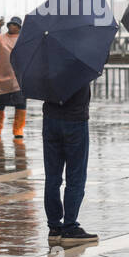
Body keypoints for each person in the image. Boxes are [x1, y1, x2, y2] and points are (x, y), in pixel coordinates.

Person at [42, 83, 96, 247]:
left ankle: (54, 226)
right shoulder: (81, 61)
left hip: (50, 119)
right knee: (76, 176)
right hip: (75, 120)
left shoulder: (46, 60)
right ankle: (70, 226)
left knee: (52, 177)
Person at [0, 17, 27, 139]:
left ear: (19, 28)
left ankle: (18, 129)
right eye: (10, 24)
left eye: (15, 25)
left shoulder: (24, 40)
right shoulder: (0, 39)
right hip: (1, 79)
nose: (11, 26)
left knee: (20, 105)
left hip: (18, 80)